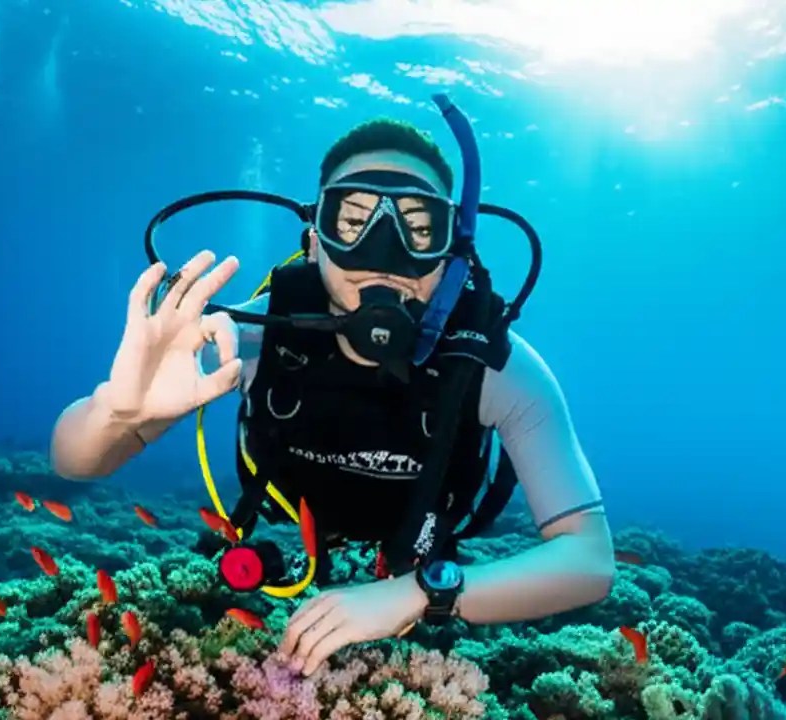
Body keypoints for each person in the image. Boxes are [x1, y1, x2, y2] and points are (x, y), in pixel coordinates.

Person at [51, 100, 616, 677]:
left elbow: (590, 558)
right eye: (353, 220)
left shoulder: (493, 364)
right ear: (315, 239)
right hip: (288, 516)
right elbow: (74, 462)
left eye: (419, 228)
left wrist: (422, 593)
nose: (385, 254)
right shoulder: (248, 337)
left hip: (421, 548)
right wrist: (116, 413)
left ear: (451, 251)